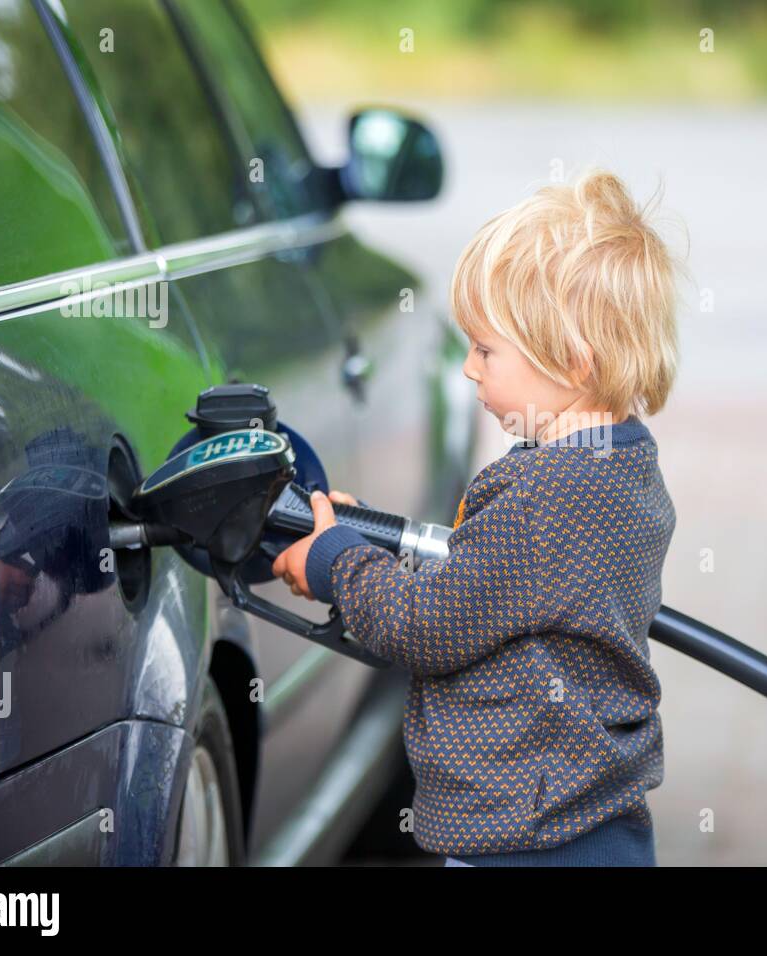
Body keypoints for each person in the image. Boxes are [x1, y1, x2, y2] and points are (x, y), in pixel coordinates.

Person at [272, 167, 682, 866]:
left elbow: (427, 624)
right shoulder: (624, 467)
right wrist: (362, 530)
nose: (467, 369)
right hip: (591, 821)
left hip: (524, 834)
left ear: (574, 362)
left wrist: (338, 562)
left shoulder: (542, 500)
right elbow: (493, 589)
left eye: (487, 350)